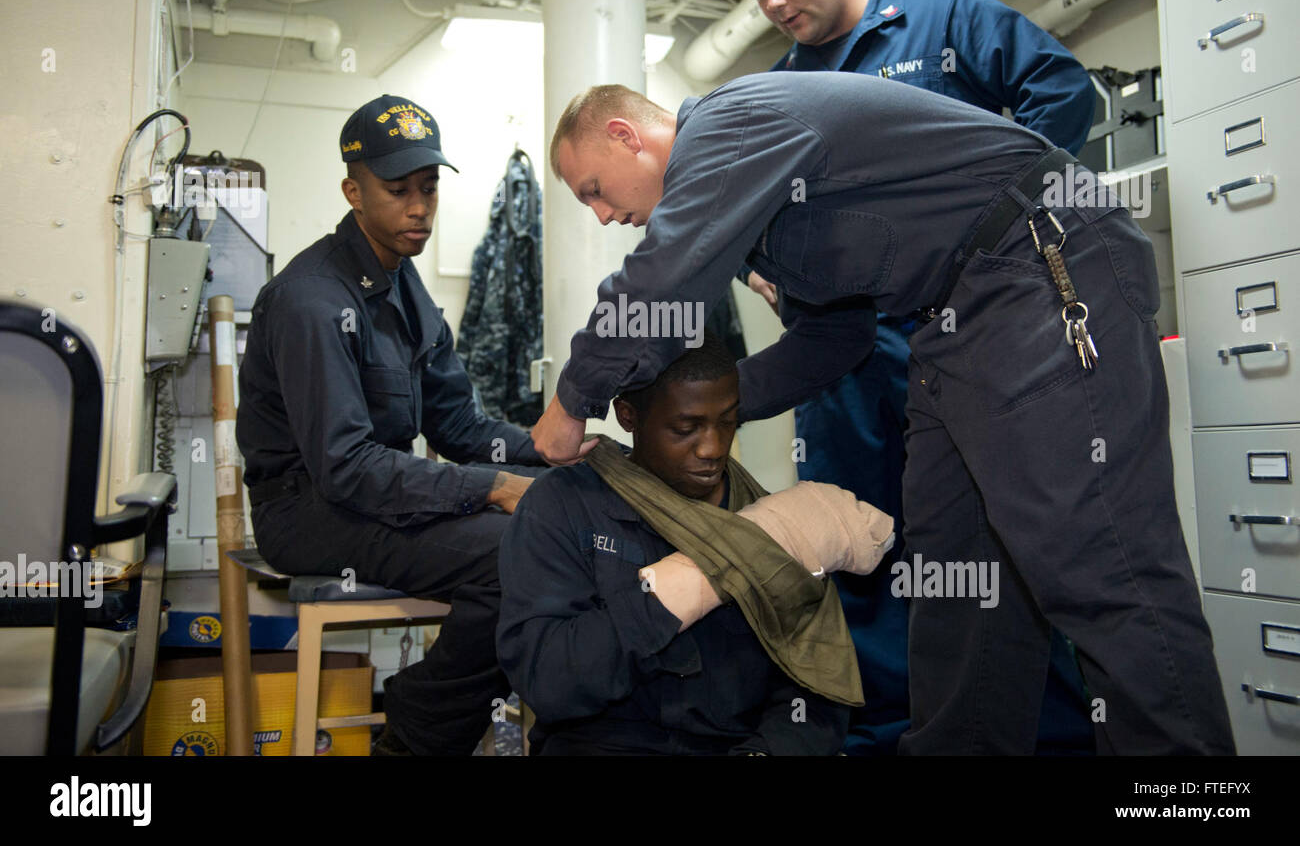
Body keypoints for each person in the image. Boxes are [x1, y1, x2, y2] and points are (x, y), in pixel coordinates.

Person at [532, 73, 1236, 755]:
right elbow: (835, 338)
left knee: (1102, 565)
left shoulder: (728, 122)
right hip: (953, 321)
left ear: (625, 135)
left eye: (592, 190)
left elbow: (658, 276)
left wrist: (571, 404)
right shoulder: (763, 211)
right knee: (961, 583)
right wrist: (693, 412)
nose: (600, 214)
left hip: (1037, 266)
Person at [724, 0, 1099, 754]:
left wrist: (1000, 227)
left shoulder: (944, 19)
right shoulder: (783, 89)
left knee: (1002, 541)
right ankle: (887, 730)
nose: (777, 4)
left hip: (969, 335)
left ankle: (1056, 734)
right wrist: (766, 272)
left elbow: (1062, 90)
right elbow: (741, 215)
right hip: (849, 352)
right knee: (860, 541)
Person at [236, 94, 543, 755]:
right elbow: (346, 466)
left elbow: (459, 424)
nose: (419, 207)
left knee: (565, 518)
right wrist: (493, 487)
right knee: (515, 550)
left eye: (429, 188)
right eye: (397, 189)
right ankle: (415, 733)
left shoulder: (405, 286)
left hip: (375, 493)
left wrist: (549, 451)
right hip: (309, 510)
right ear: (353, 190)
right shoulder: (311, 300)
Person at [497, 333, 855, 755]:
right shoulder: (564, 507)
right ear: (628, 416)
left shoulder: (767, 522)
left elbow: (815, 685)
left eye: (728, 421)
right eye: (686, 428)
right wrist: (673, 594)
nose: (713, 448)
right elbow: (549, 681)